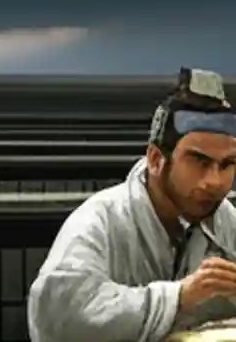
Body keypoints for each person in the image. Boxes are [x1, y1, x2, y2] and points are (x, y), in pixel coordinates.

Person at [29, 67, 236, 341]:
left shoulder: (225, 221)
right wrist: (177, 297)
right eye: (199, 161)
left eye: (227, 164)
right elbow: (56, 316)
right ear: (156, 160)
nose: (215, 181)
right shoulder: (100, 220)